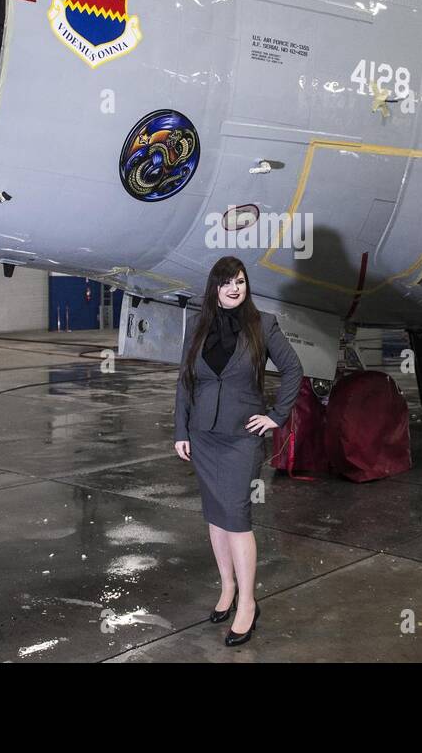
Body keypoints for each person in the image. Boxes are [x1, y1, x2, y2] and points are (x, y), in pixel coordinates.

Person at [173, 255, 303, 646]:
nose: (234, 288)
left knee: (237, 518)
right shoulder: (198, 324)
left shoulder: (263, 325)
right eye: (227, 282)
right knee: (215, 517)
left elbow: (294, 370)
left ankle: (248, 602)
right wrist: (181, 429)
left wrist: (276, 416)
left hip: (241, 439)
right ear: (215, 287)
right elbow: (185, 381)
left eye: (241, 282)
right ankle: (227, 589)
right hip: (203, 437)